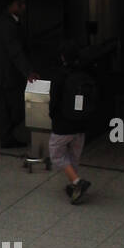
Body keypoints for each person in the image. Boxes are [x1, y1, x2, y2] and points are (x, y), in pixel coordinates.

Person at [0, 0, 39, 149]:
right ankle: (11, 136)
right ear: (11, 6)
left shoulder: (5, 22)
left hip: (3, 73)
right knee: (14, 107)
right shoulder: (8, 26)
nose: (23, 7)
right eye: (20, 4)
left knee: (6, 106)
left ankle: (7, 137)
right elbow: (15, 52)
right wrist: (28, 71)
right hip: (9, 74)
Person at [49, 43, 94, 204]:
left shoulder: (60, 75)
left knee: (56, 155)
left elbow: (54, 100)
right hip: (80, 124)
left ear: (62, 57)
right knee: (74, 156)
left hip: (63, 123)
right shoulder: (85, 74)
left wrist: (53, 116)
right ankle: (74, 187)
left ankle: (77, 182)